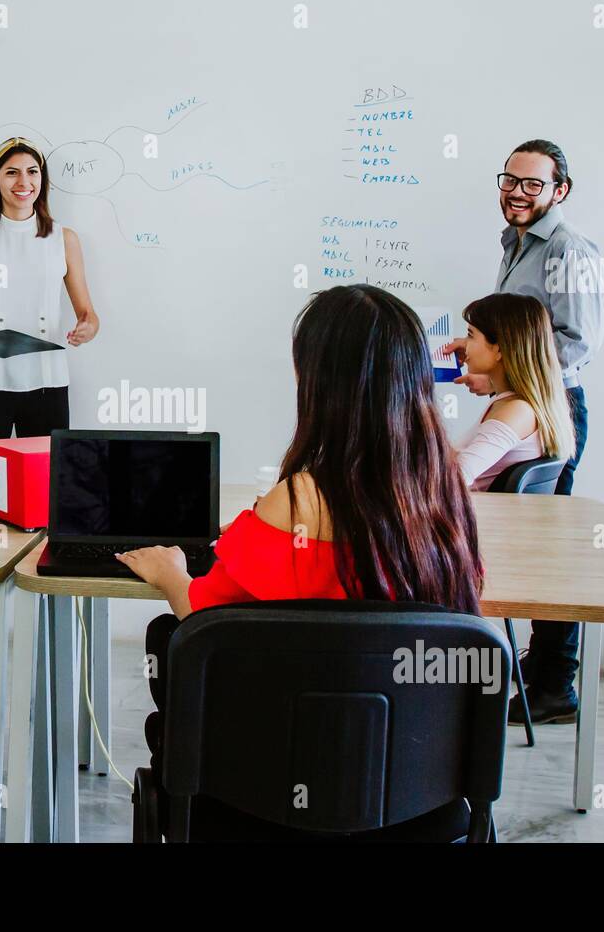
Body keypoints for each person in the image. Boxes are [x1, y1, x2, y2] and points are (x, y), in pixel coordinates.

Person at [116, 284, 485, 772]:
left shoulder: (295, 502)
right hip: (412, 779)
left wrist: (171, 575)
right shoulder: (446, 494)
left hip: (277, 773)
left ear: (317, 382)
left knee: (170, 635)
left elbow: (205, 621)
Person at [445, 138, 602, 725]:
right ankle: (541, 676)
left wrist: (507, 375)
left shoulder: (565, 250)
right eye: (509, 180)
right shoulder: (517, 243)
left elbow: (575, 341)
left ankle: (554, 683)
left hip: (549, 400)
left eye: (532, 184)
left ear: (559, 191)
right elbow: (519, 330)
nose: (516, 191)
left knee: (548, 559)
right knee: (543, 549)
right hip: (528, 395)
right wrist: (481, 357)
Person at [0, 136, 99, 670]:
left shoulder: (63, 239)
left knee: (51, 501)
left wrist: (84, 328)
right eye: (12, 172)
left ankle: (49, 615)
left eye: (32, 173)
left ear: (42, 181)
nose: (23, 182)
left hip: (47, 381)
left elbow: (88, 312)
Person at [451, 293, 575, 493]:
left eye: (471, 335)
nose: (464, 345)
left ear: (499, 349)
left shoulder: (516, 412)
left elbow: (453, 480)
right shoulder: (515, 404)